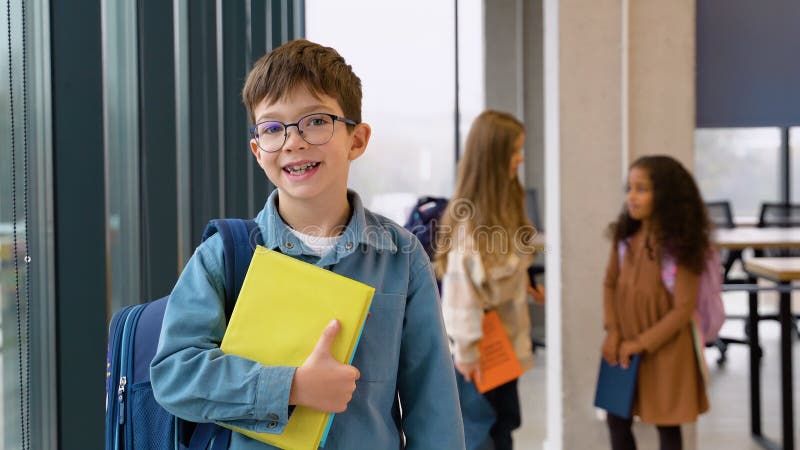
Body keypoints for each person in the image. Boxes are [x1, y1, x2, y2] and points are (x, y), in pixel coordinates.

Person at [150, 39, 465, 450]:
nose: (293, 141)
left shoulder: (401, 258)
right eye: (272, 128)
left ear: (357, 139)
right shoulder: (223, 256)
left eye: (315, 121)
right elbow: (174, 374)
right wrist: (291, 387)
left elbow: (434, 407)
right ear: (257, 151)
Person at [434, 110, 540, 450]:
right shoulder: (469, 227)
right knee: (481, 435)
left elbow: (500, 271)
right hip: (477, 354)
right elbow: (461, 297)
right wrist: (465, 352)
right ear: (494, 158)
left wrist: (525, 285)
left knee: (505, 425)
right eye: (515, 151)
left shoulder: (507, 207)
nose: (521, 158)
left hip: (505, 345)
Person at [601, 155, 710, 450]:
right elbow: (610, 283)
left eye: (641, 189)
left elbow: (682, 309)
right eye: (629, 188)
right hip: (623, 344)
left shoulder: (680, 246)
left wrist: (641, 342)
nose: (631, 197)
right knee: (616, 418)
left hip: (666, 350)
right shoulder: (625, 238)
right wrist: (613, 331)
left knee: (666, 423)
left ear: (665, 196)